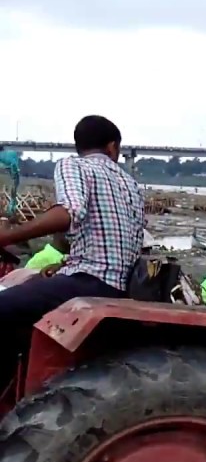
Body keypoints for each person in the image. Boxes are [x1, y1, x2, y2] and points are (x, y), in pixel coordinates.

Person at [0, 115, 145, 383]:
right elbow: (122, 239)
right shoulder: (131, 184)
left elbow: (70, 211)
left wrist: (8, 235)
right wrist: (66, 263)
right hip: (120, 283)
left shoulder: (73, 166)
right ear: (113, 147)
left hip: (89, 281)